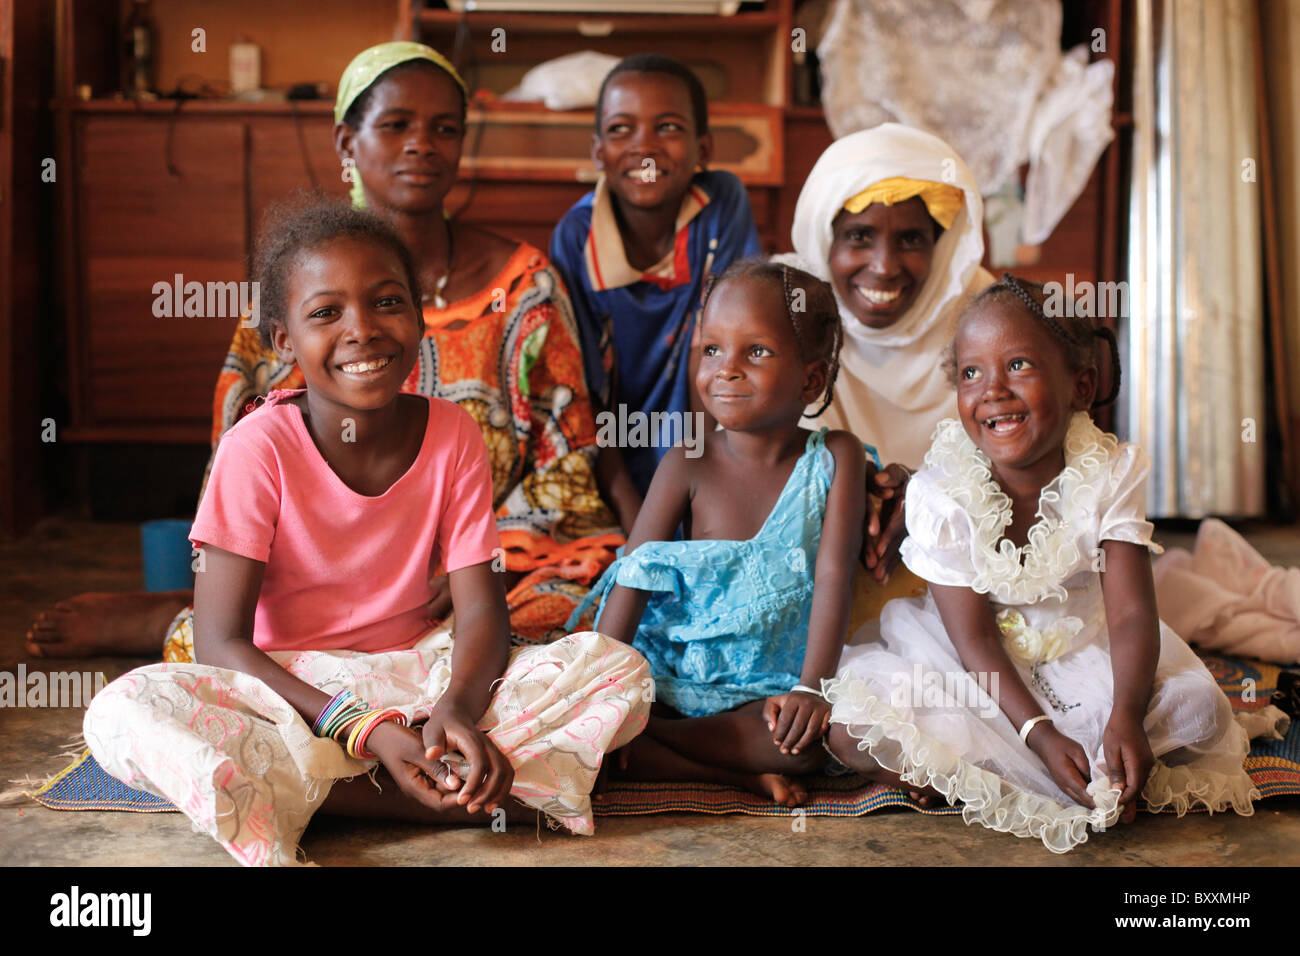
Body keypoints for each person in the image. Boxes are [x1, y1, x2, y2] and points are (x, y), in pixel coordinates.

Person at [83, 200, 651, 866]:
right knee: (125, 708)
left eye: (387, 302)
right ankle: (456, 790)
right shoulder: (255, 450)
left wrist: (458, 710)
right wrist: (363, 729)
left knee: (617, 669)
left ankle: (333, 789)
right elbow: (219, 642)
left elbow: (481, 617)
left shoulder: (453, 435)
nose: (363, 330)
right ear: (283, 342)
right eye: (326, 313)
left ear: (419, 316)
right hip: (291, 693)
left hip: (419, 672)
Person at [29, 41, 622, 657]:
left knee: (580, 621)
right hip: (316, 569)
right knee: (247, 644)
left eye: (444, 128)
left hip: (496, 552)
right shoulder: (295, 284)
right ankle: (179, 618)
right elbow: (243, 452)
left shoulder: (525, 283)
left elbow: (565, 457)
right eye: (395, 125)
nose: (422, 144)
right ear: (346, 142)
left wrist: (477, 561)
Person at [821, 275, 1258, 852]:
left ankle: (990, 776)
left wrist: (1126, 713)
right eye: (971, 373)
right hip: (973, 667)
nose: (992, 391)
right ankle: (992, 772)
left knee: (1199, 710)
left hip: (1086, 650)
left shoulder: (1109, 473)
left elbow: (1130, 615)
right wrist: (1038, 735)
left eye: (1019, 364)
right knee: (854, 728)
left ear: (1080, 387)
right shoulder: (941, 492)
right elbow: (973, 640)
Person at [575, 260, 865, 807]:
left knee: (800, 747)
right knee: (592, 713)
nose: (726, 370)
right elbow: (634, 574)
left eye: (755, 352)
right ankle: (722, 773)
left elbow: (833, 578)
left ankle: (649, 748)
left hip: (770, 689)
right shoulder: (688, 458)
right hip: (676, 677)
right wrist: (600, 692)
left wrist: (810, 688)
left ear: (811, 379)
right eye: (711, 350)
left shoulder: (835, 457)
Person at [785, 123, 996, 586]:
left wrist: (928, 498)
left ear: (940, 248)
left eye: (911, 240)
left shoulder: (987, 312)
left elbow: (1021, 455)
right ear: (826, 240)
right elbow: (749, 450)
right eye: (859, 236)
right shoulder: (784, 304)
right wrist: (843, 494)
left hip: (961, 570)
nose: (883, 267)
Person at [550, 53, 762, 502]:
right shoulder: (576, 236)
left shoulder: (722, 202)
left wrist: (692, 495)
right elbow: (585, 392)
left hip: (704, 446)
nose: (644, 145)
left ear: (703, 149)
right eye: (620, 129)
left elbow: (717, 347)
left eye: (667, 127)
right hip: (608, 454)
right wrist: (635, 522)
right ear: (597, 152)